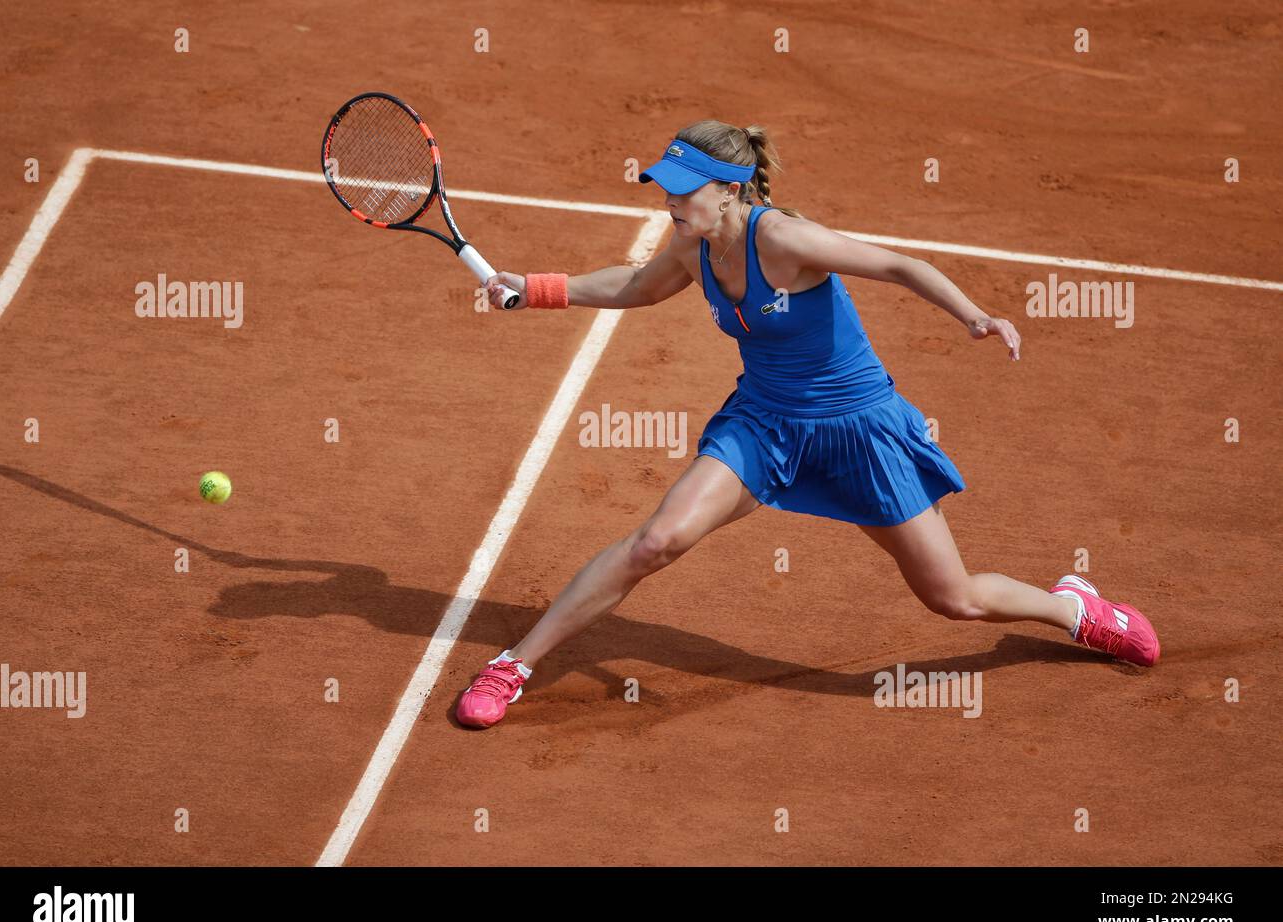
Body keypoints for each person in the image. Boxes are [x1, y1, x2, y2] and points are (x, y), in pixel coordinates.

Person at [456, 120, 1159, 729]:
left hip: (860, 432)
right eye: (664, 187)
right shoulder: (690, 245)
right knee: (656, 541)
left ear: (729, 190)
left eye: (683, 188)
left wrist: (973, 314)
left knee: (956, 599)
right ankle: (514, 665)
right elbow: (636, 286)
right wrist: (536, 287)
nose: (669, 201)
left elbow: (896, 262)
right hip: (765, 426)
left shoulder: (786, 240)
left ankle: (1074, 609)